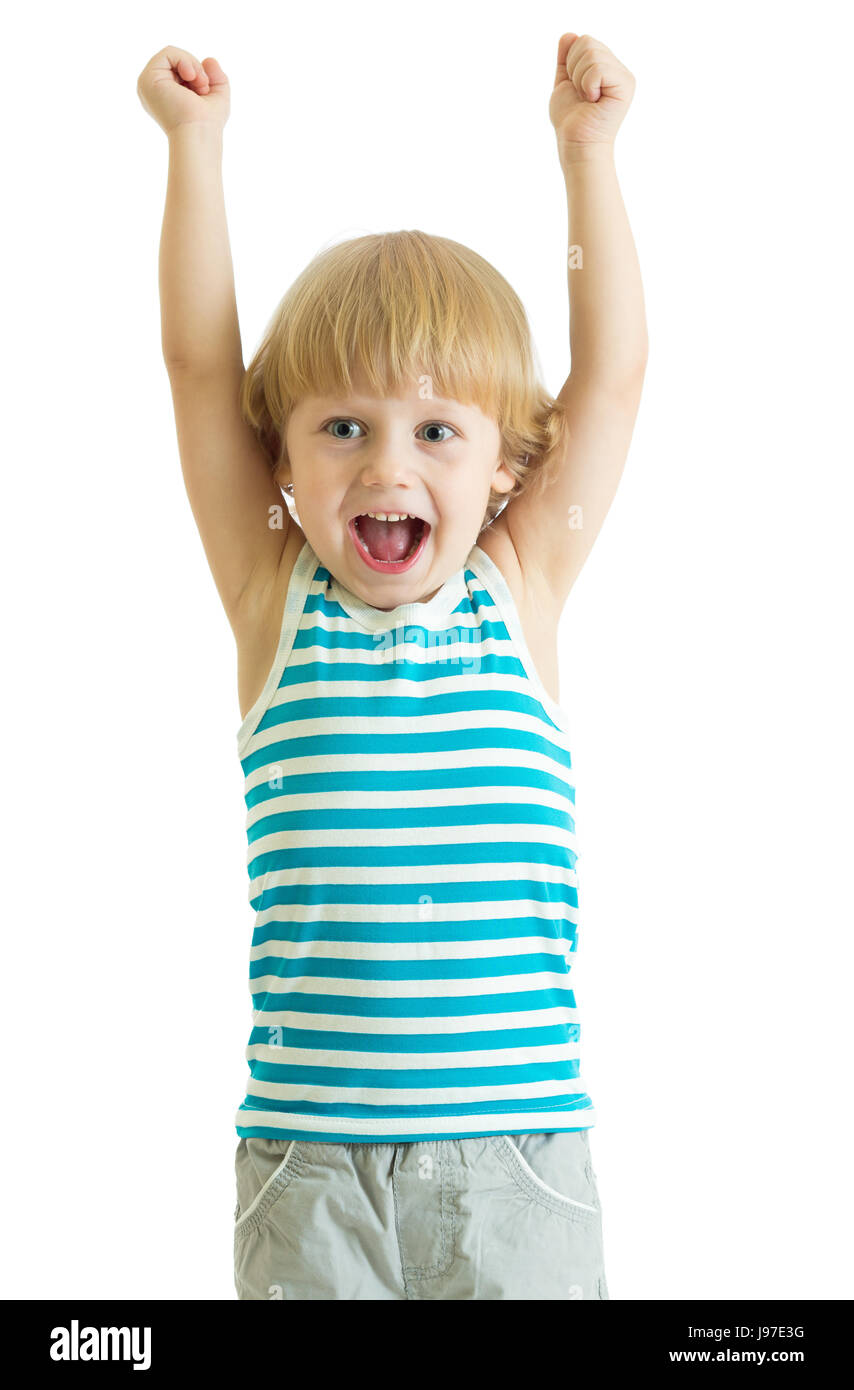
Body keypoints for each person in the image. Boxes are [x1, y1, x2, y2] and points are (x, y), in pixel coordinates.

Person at [137, 30, 646, 1300]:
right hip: (307, 1171)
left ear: (506, 466)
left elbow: (614, 379)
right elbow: (203, 369)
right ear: (283, 465)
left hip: (516, 1161)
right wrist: (194, 148)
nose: (385, 466)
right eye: (343, 427)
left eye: (435, 430)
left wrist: (586, 158)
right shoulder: (273, 595)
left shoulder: (517, 591)